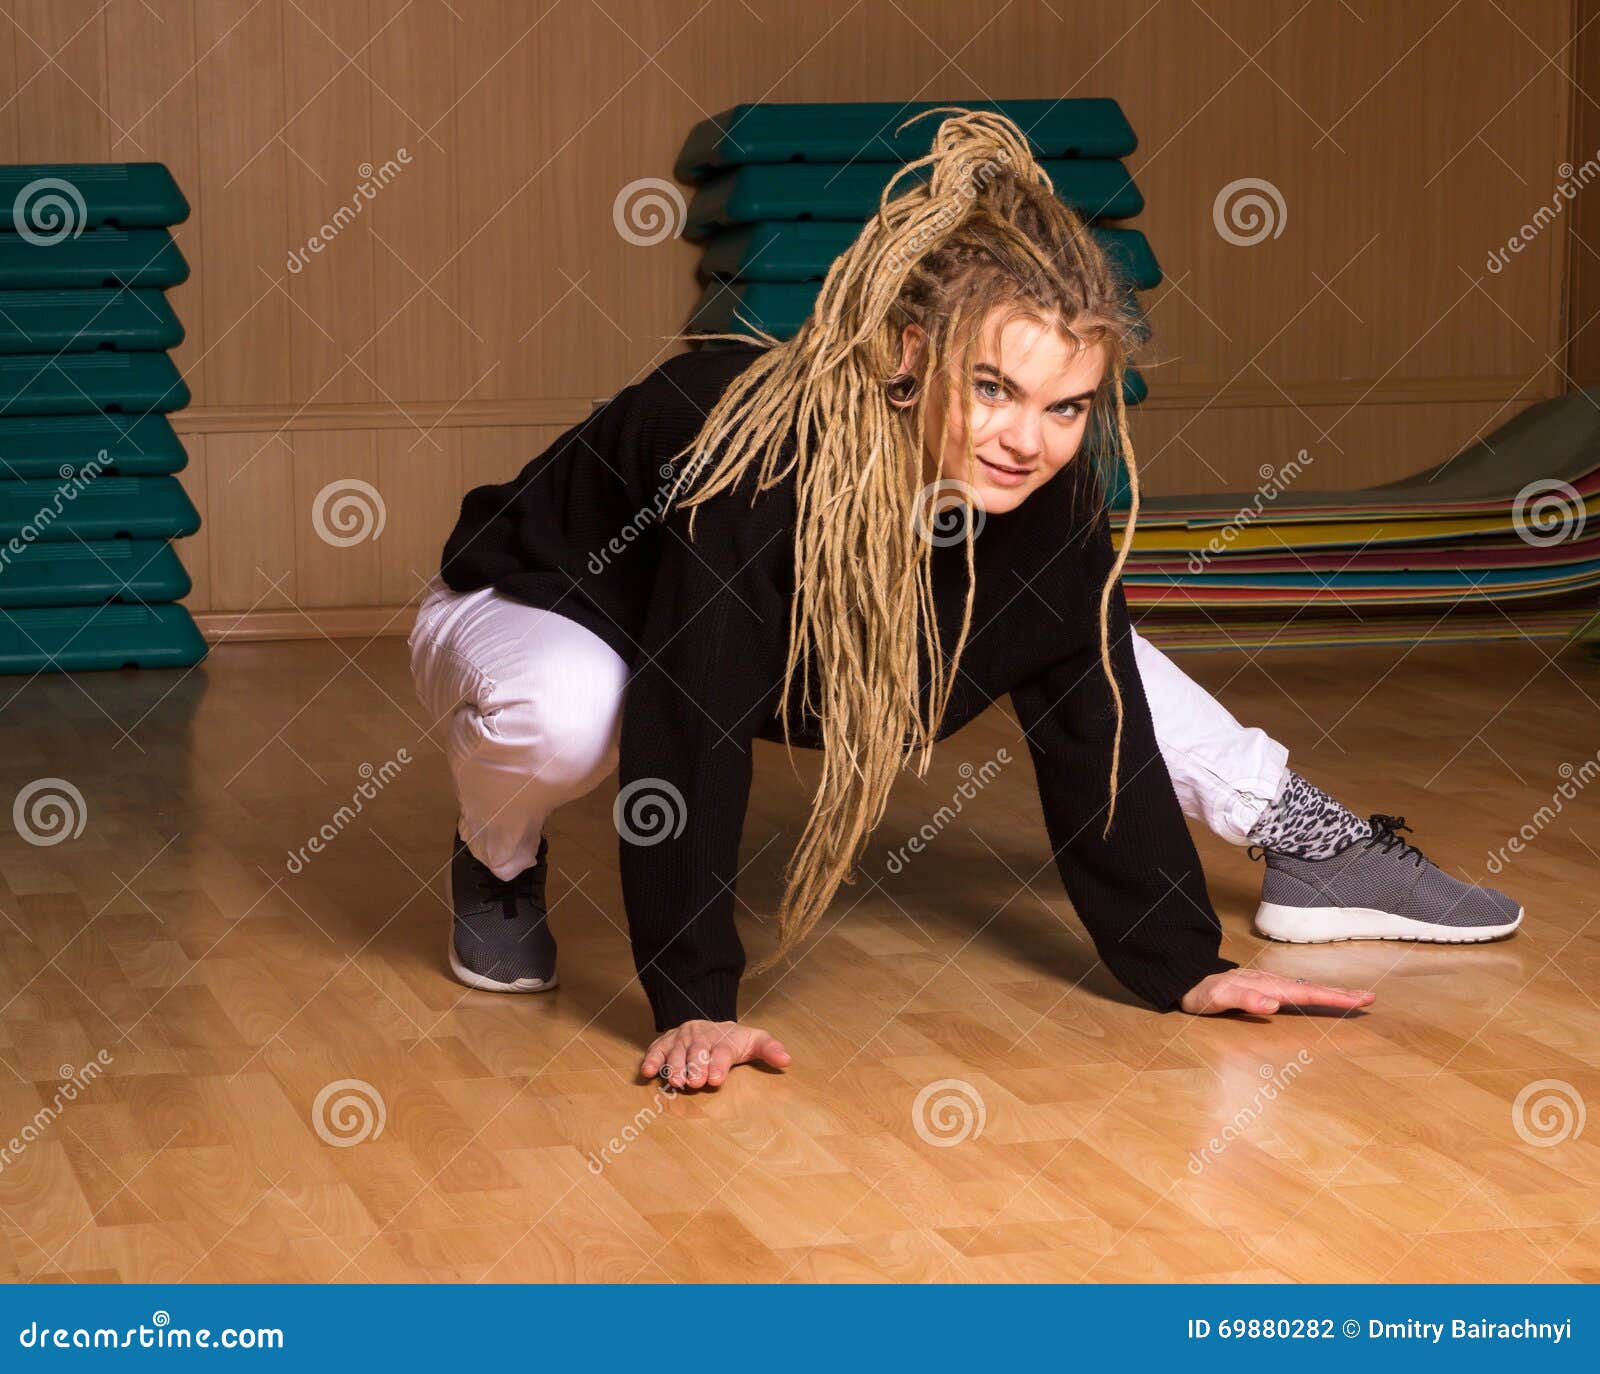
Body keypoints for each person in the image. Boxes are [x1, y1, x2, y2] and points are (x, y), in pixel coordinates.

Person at [410, 109, 1522, 1092]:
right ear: (911, 354)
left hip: (801, 630)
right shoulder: (760, 464)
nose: (1027, 440)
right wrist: (695, 998)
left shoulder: (1047, 487)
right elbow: (691, 725)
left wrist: (1181, 966)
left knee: (1080, 625)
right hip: (540, 605)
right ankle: (494, 860)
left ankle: (1300, 836)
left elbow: (1093, 716)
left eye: (1066, 406)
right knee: (571, 713)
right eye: (992, 388)